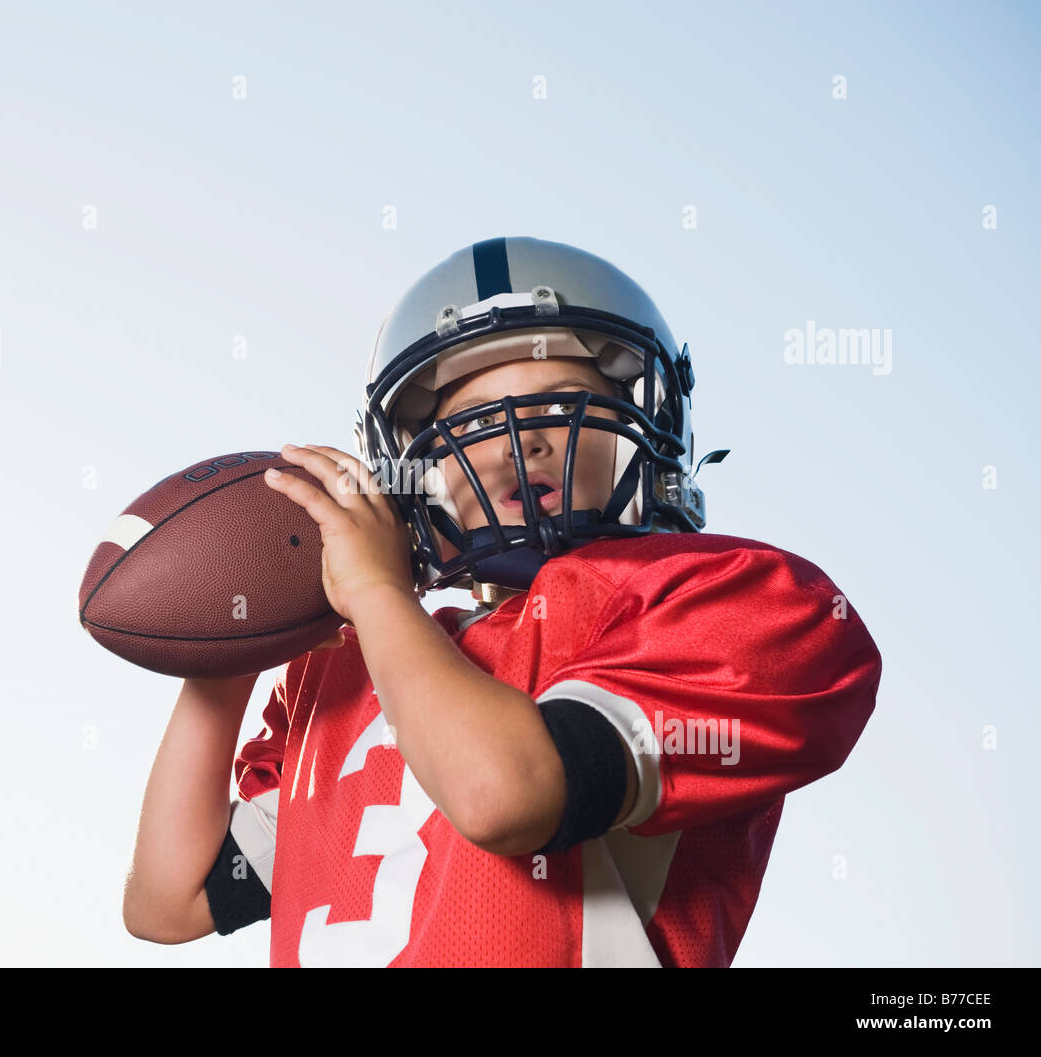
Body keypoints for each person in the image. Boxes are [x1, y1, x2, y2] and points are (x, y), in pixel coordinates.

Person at [122, 236, 882, 967]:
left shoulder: (737, 597)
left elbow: (502, 797)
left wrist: (381, 594)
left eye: (561, 402)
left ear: (645, 427)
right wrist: (222, 661)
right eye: (473, 423)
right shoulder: (353, 660)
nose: (522, 441)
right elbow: (170, 902)